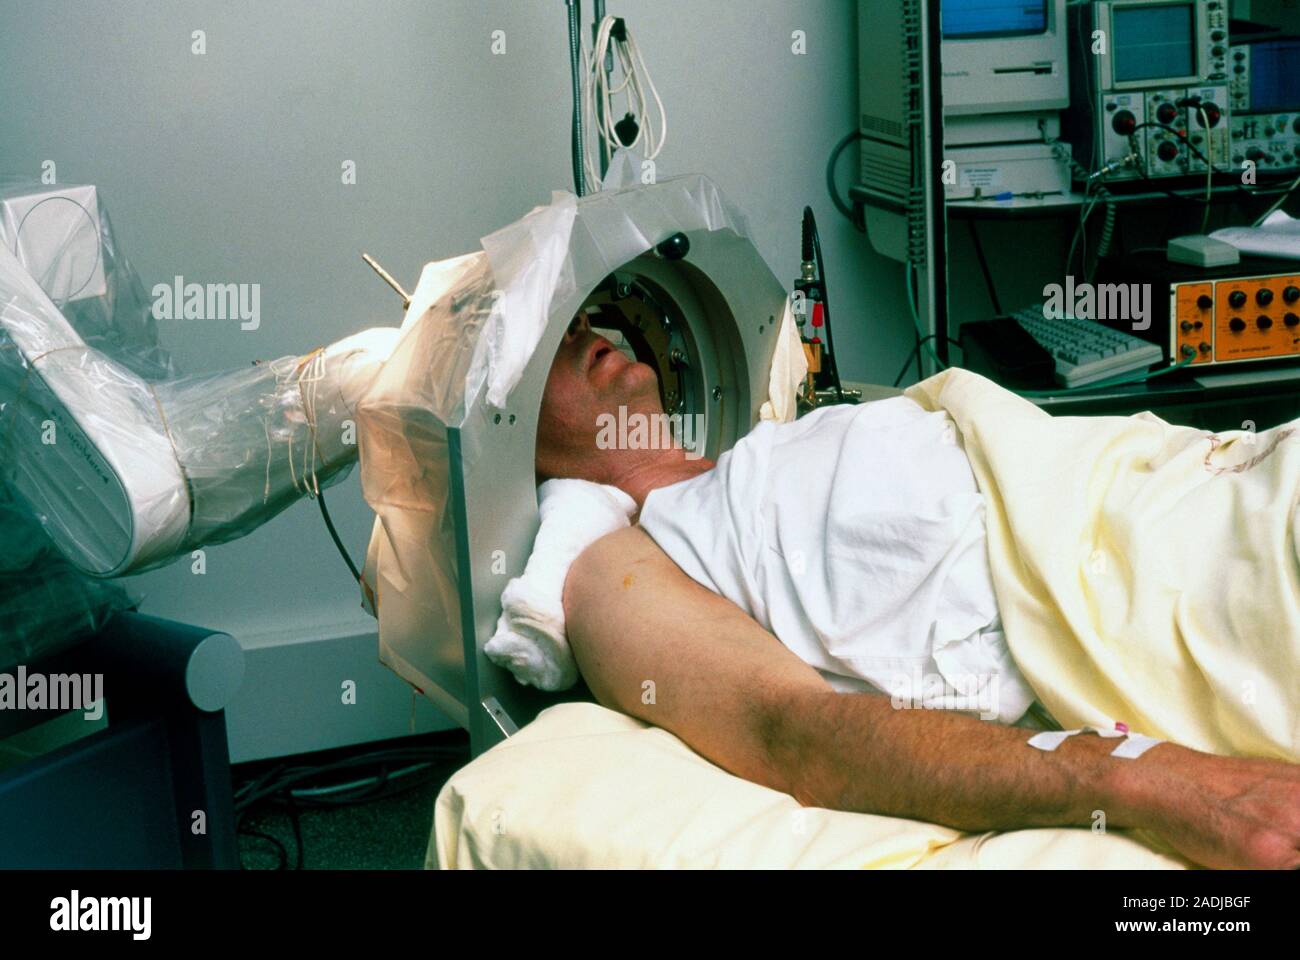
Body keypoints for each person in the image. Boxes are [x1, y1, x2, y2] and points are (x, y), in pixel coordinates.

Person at [540, 312, 1300, 870]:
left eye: (573, 320)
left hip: (1213, 486)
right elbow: (793, 730)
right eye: (542, 349)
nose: (581, 331)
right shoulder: (618, 565)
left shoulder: (771, 446)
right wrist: (1153, 777)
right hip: (1185, 599)